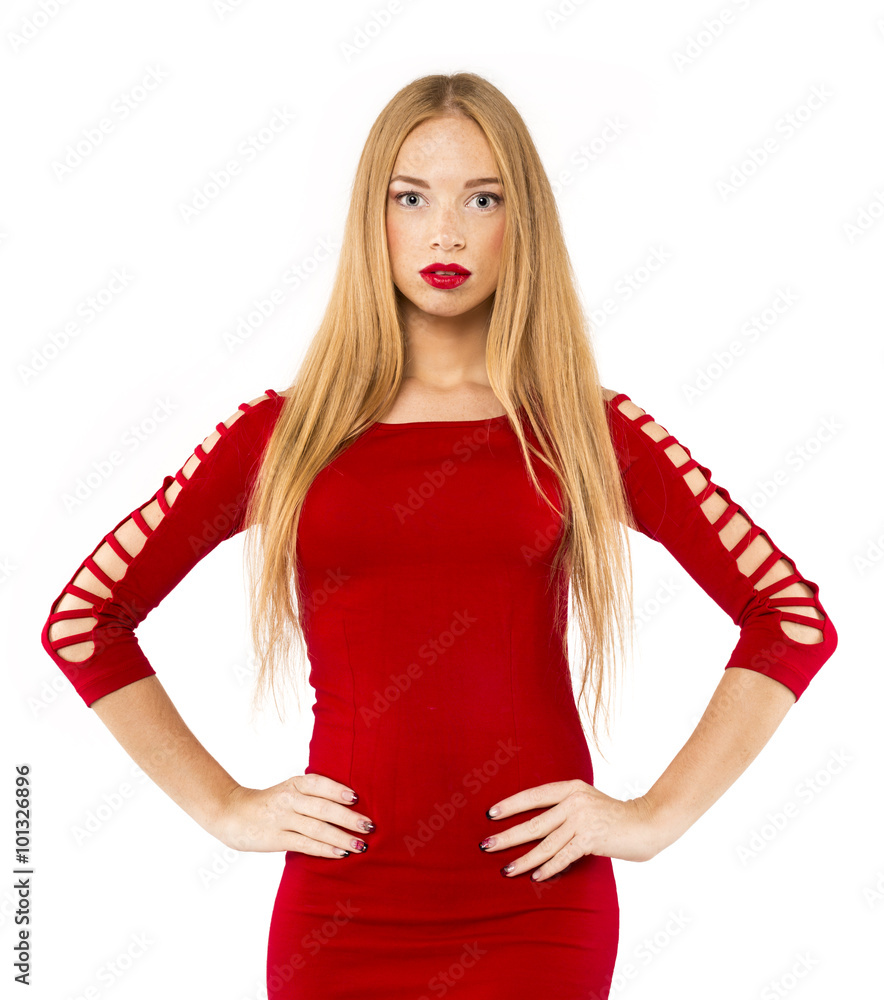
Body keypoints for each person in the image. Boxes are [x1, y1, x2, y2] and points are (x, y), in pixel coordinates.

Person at [40, 72, 838, 999]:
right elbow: (84, 621)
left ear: (521, 222)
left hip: (537, 906)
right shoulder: (283, 434)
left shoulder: (586, 426)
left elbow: (790, 616)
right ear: (370, 220)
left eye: (483, 198)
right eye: (411, 198)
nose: (446, 232)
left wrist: (655, 819)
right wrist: (225, 808)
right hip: (341, 910)